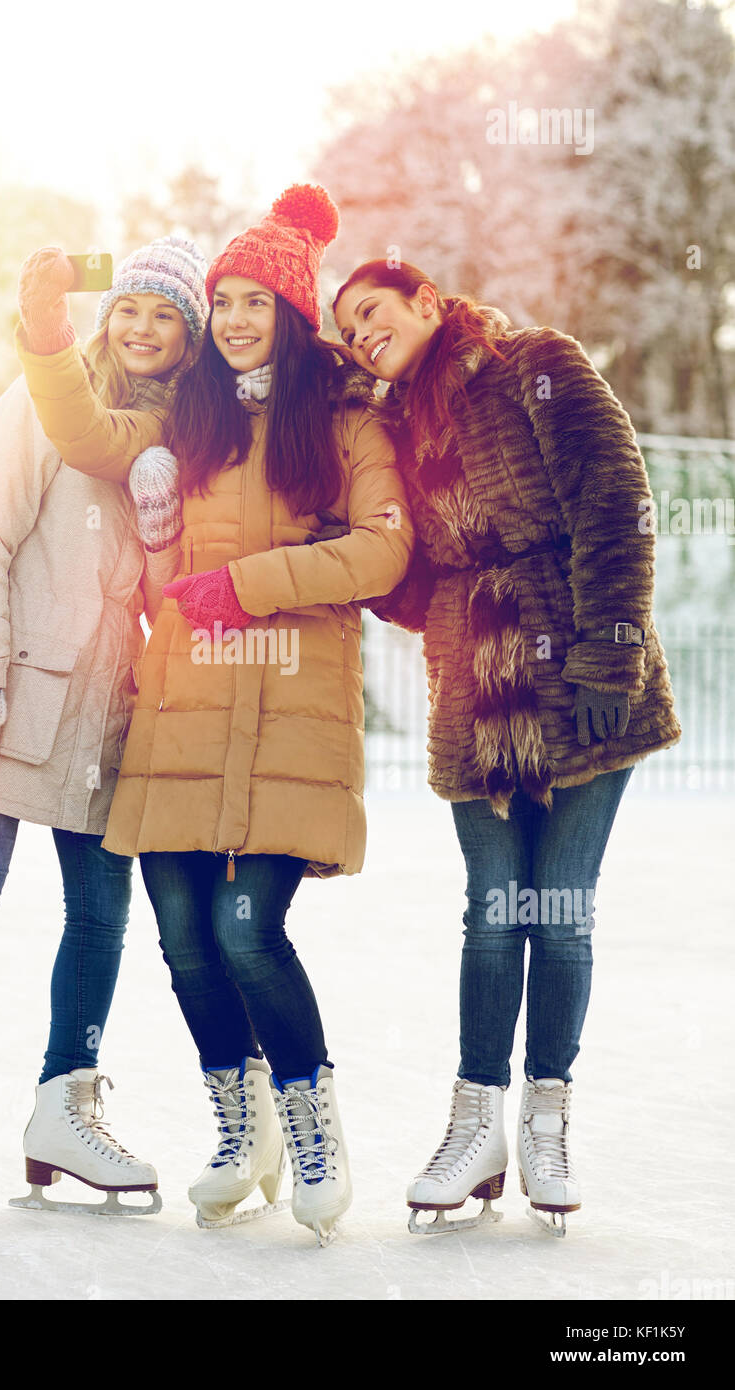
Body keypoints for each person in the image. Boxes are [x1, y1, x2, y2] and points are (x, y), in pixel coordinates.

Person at [15, 185, 413, 1245]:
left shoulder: (343, 417)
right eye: (223, 299)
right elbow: (86, 429)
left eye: (255, 300)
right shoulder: (184, 414)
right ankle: (242, 1128)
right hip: (181, 709)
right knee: (186, 939)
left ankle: (310, 1121)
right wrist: (51, 337)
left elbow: (384, 549)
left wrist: (253, 584)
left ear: (292, 309)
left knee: (249, 928)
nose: (235, 318)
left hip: (290, 711)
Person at [333, 259, 681, 1236]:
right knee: (492, 911)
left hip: (578, 667)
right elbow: (413, 577)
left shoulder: (538, 364)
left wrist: (611, 648)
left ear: (427, 303)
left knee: (560, 911)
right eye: (348, 330)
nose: (363, 335)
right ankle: (473, 1124)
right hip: (474, 683)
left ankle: (546, 1121)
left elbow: (614, 497)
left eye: (374, 313)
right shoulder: (397, 428)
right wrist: (368, 554)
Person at [0, 237, 208, 1232]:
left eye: (168, 317)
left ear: (187, 343)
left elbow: (161, 599)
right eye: (133, 308)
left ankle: (66, 1103)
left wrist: (162, 535)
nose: (144, 328)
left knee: (101, 916)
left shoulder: (167, 445)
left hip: (107, 720)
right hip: (11, 701)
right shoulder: (39, 399)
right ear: (107, 317)